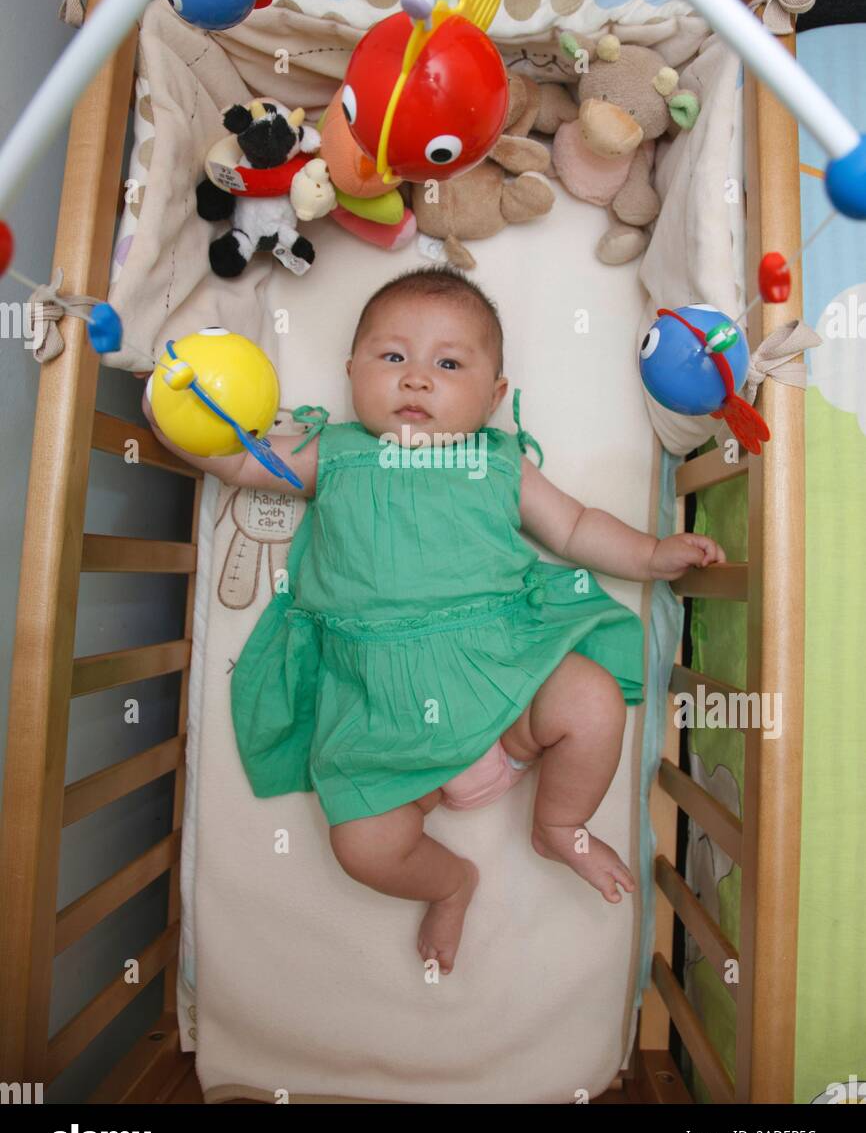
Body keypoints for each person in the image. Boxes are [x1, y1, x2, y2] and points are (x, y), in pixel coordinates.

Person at [142, 264, 725, 975]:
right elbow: (240, 463)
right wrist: (175, 417)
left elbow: (574, 529)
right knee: (360, 845)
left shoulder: (498, 461)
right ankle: (450, 883)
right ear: (350, 371)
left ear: (494, 397)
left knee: (594, 702)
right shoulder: (336, 453)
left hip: (505, 676)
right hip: (378, 713)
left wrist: (652, 551)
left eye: (448, 364)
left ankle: (558, 823)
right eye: (392, 357)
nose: (416, 379)